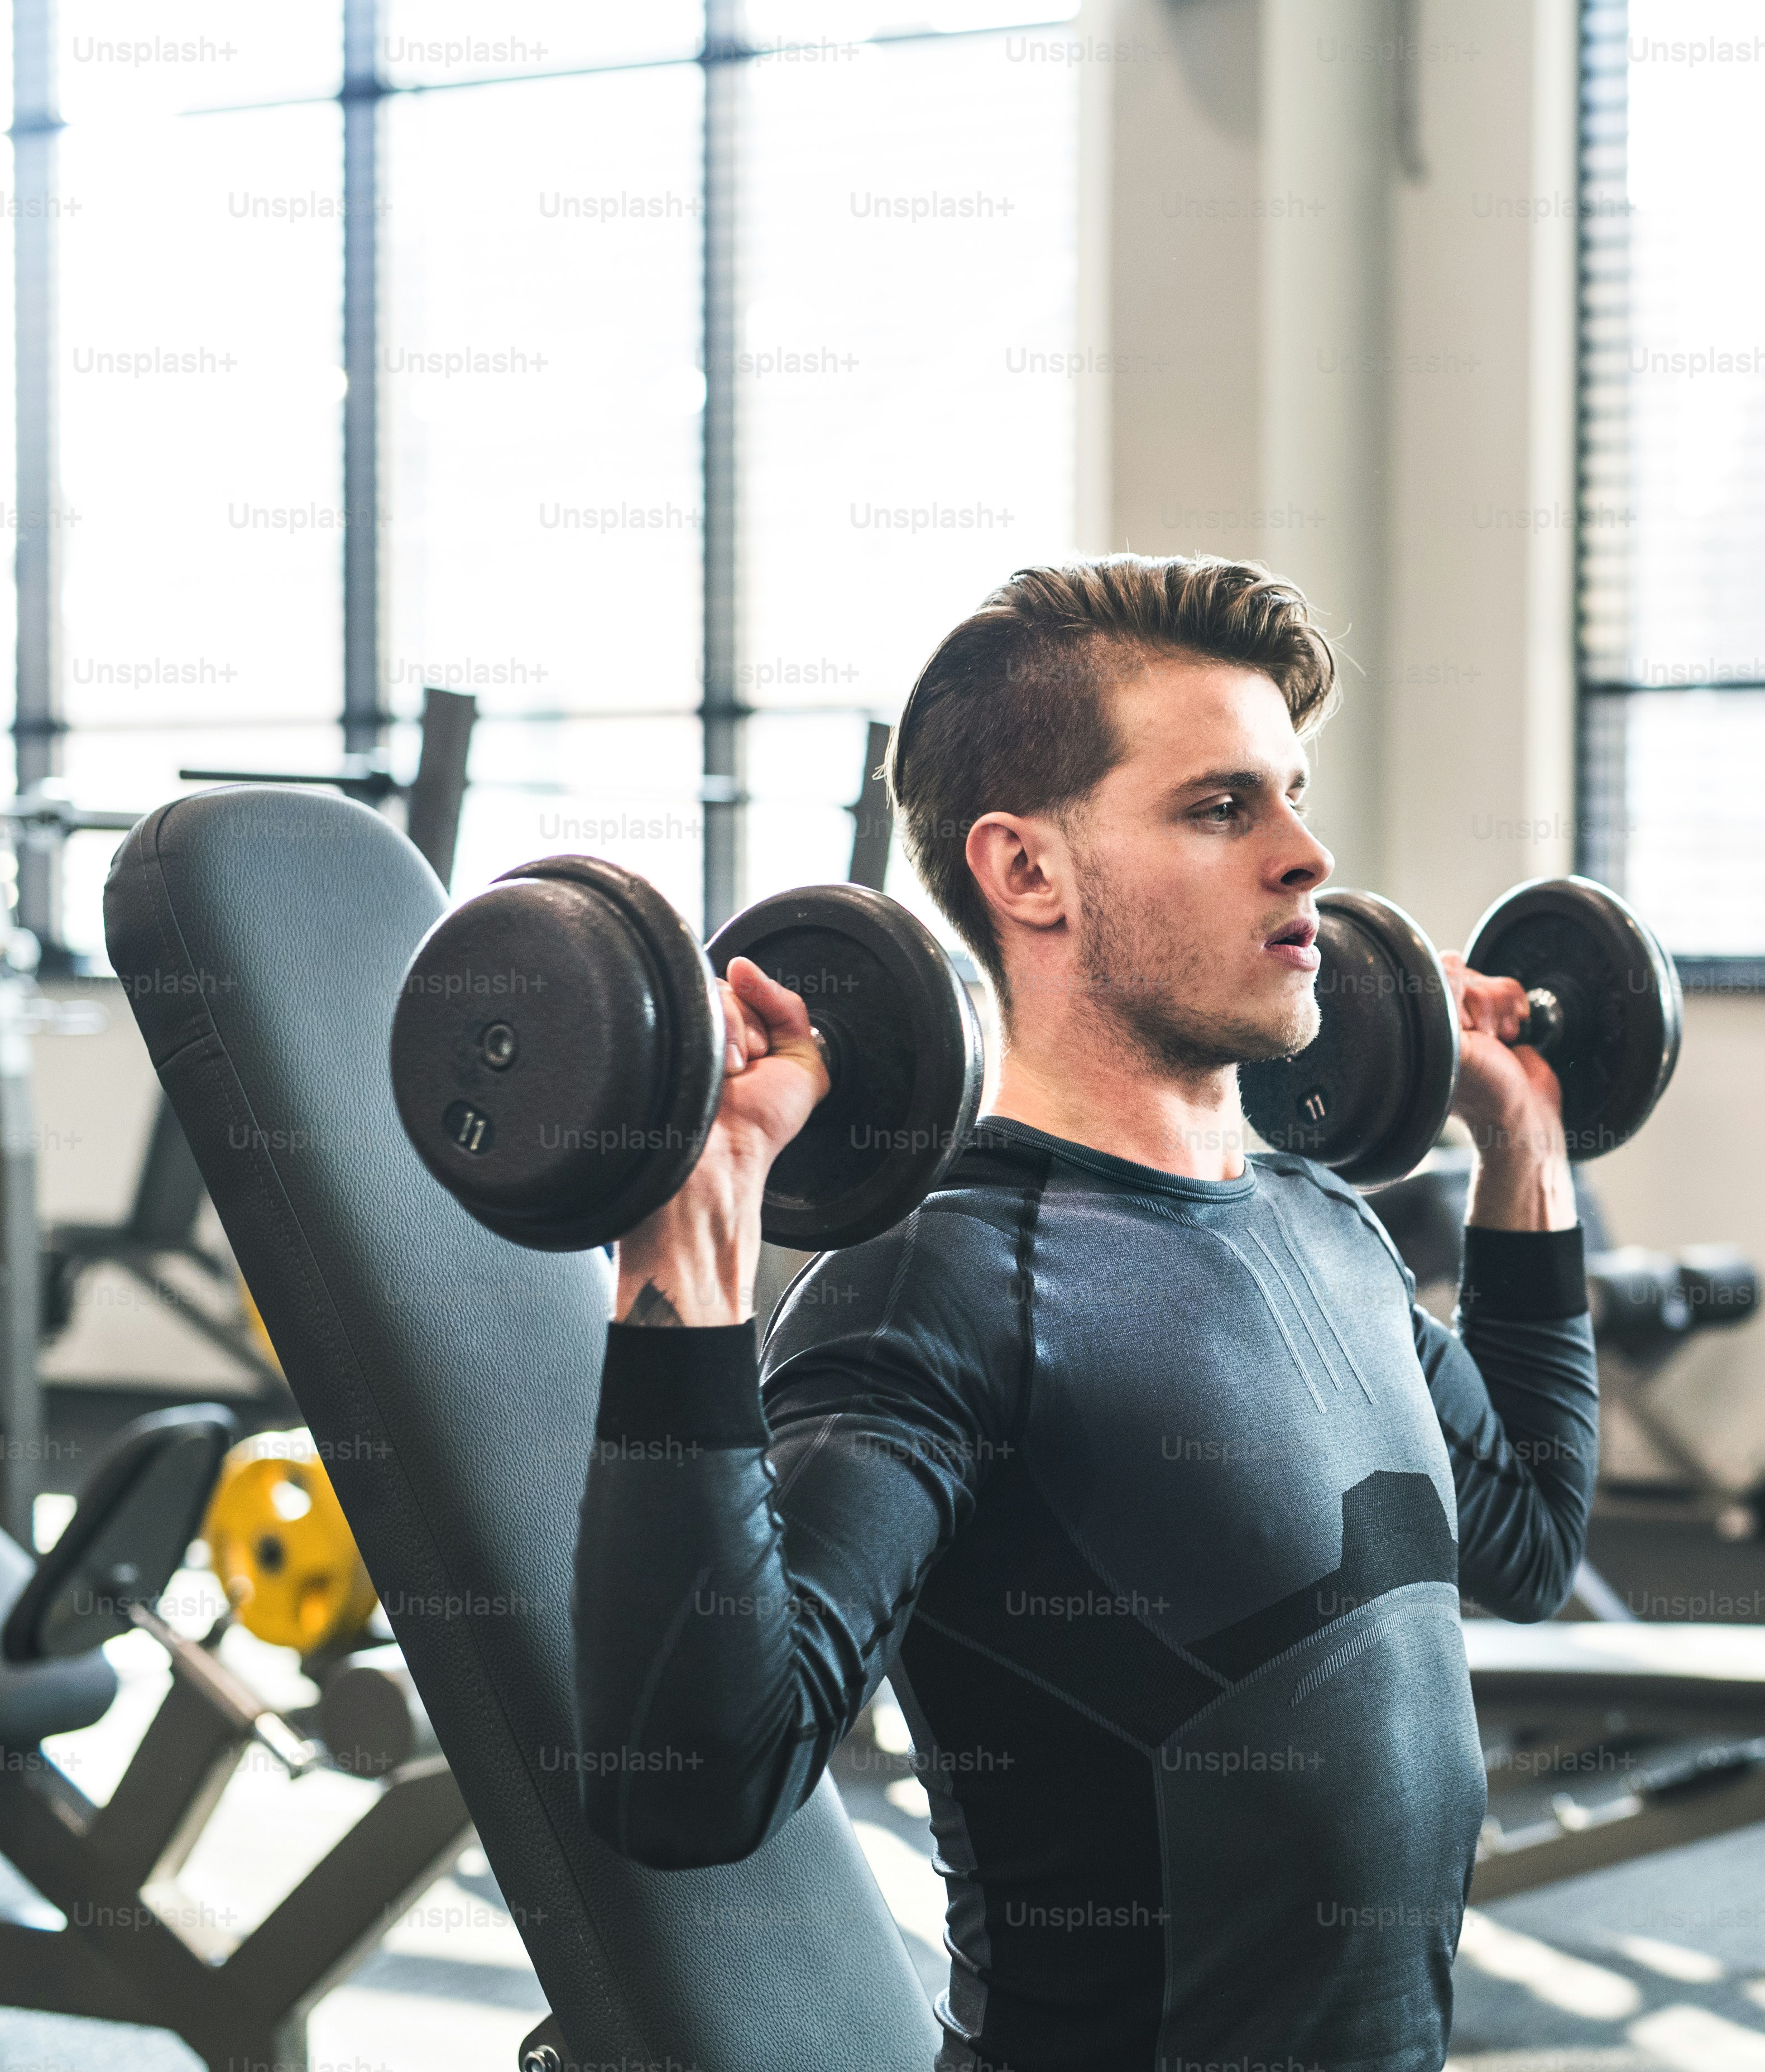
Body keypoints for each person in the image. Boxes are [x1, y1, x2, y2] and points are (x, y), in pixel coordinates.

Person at [572, 557, 1598, 2071]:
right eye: (1221, 807)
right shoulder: (947, 1281)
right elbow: (685, 1780)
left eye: (1295, 798)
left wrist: (1526, 1148)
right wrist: (694, 1226)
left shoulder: (1329, 1235)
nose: (1309, 856)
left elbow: (1528, 1545)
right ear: (1027, 873)